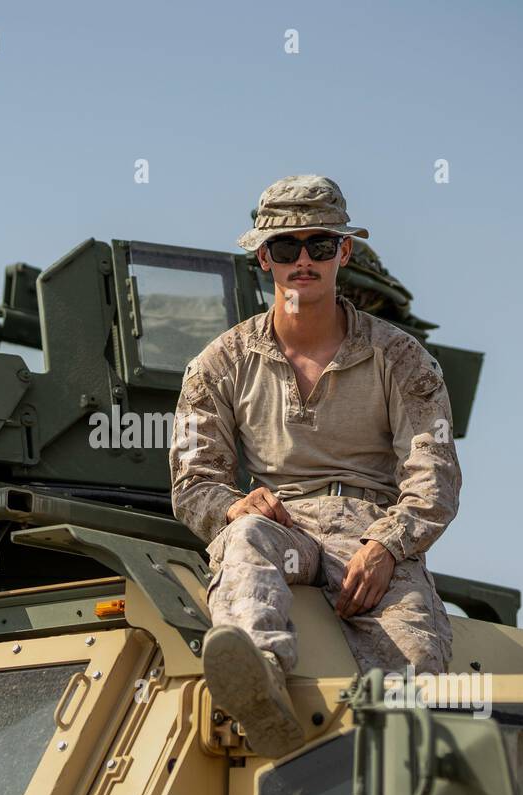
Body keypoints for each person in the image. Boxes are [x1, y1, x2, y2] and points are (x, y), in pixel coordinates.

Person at [168, 174, 462, 758]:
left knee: (419, 670)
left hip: (371, 532)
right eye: (285, 247)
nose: (303, 260)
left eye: (320, 245)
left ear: (343, 252)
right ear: (262, 258)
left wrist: (388, 547)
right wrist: (233, 504)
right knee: (244, 535)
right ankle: (259, 682)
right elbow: (194, 480)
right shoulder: (219, 365)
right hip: (285, 526)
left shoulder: (400, 358)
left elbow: (434, 475)